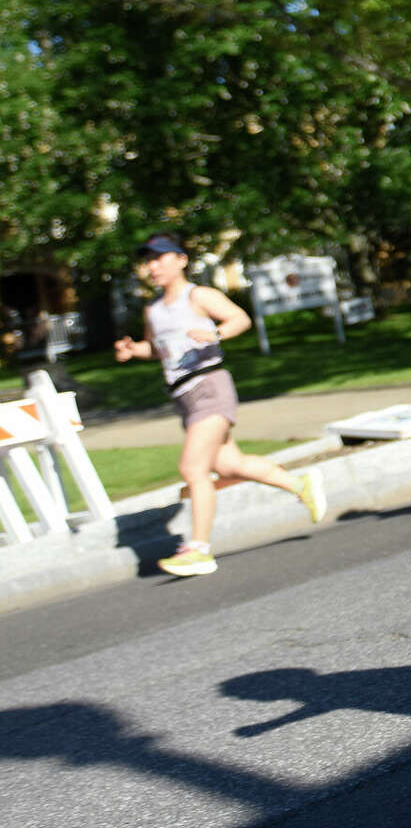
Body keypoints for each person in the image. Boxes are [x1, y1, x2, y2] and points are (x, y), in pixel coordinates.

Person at [112, 234, 325, 577]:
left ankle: (198, 549)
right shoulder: (153, 309)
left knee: (193, 469)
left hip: (209, 386)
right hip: (182, 394)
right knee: (229, 464)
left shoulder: (199, 295)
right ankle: (301, 486)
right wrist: (134, 350)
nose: (152, 266)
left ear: (181, 259)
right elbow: (159, 348)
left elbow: (240, 319)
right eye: (148, 260)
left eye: (159, 258)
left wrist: (217, 334)